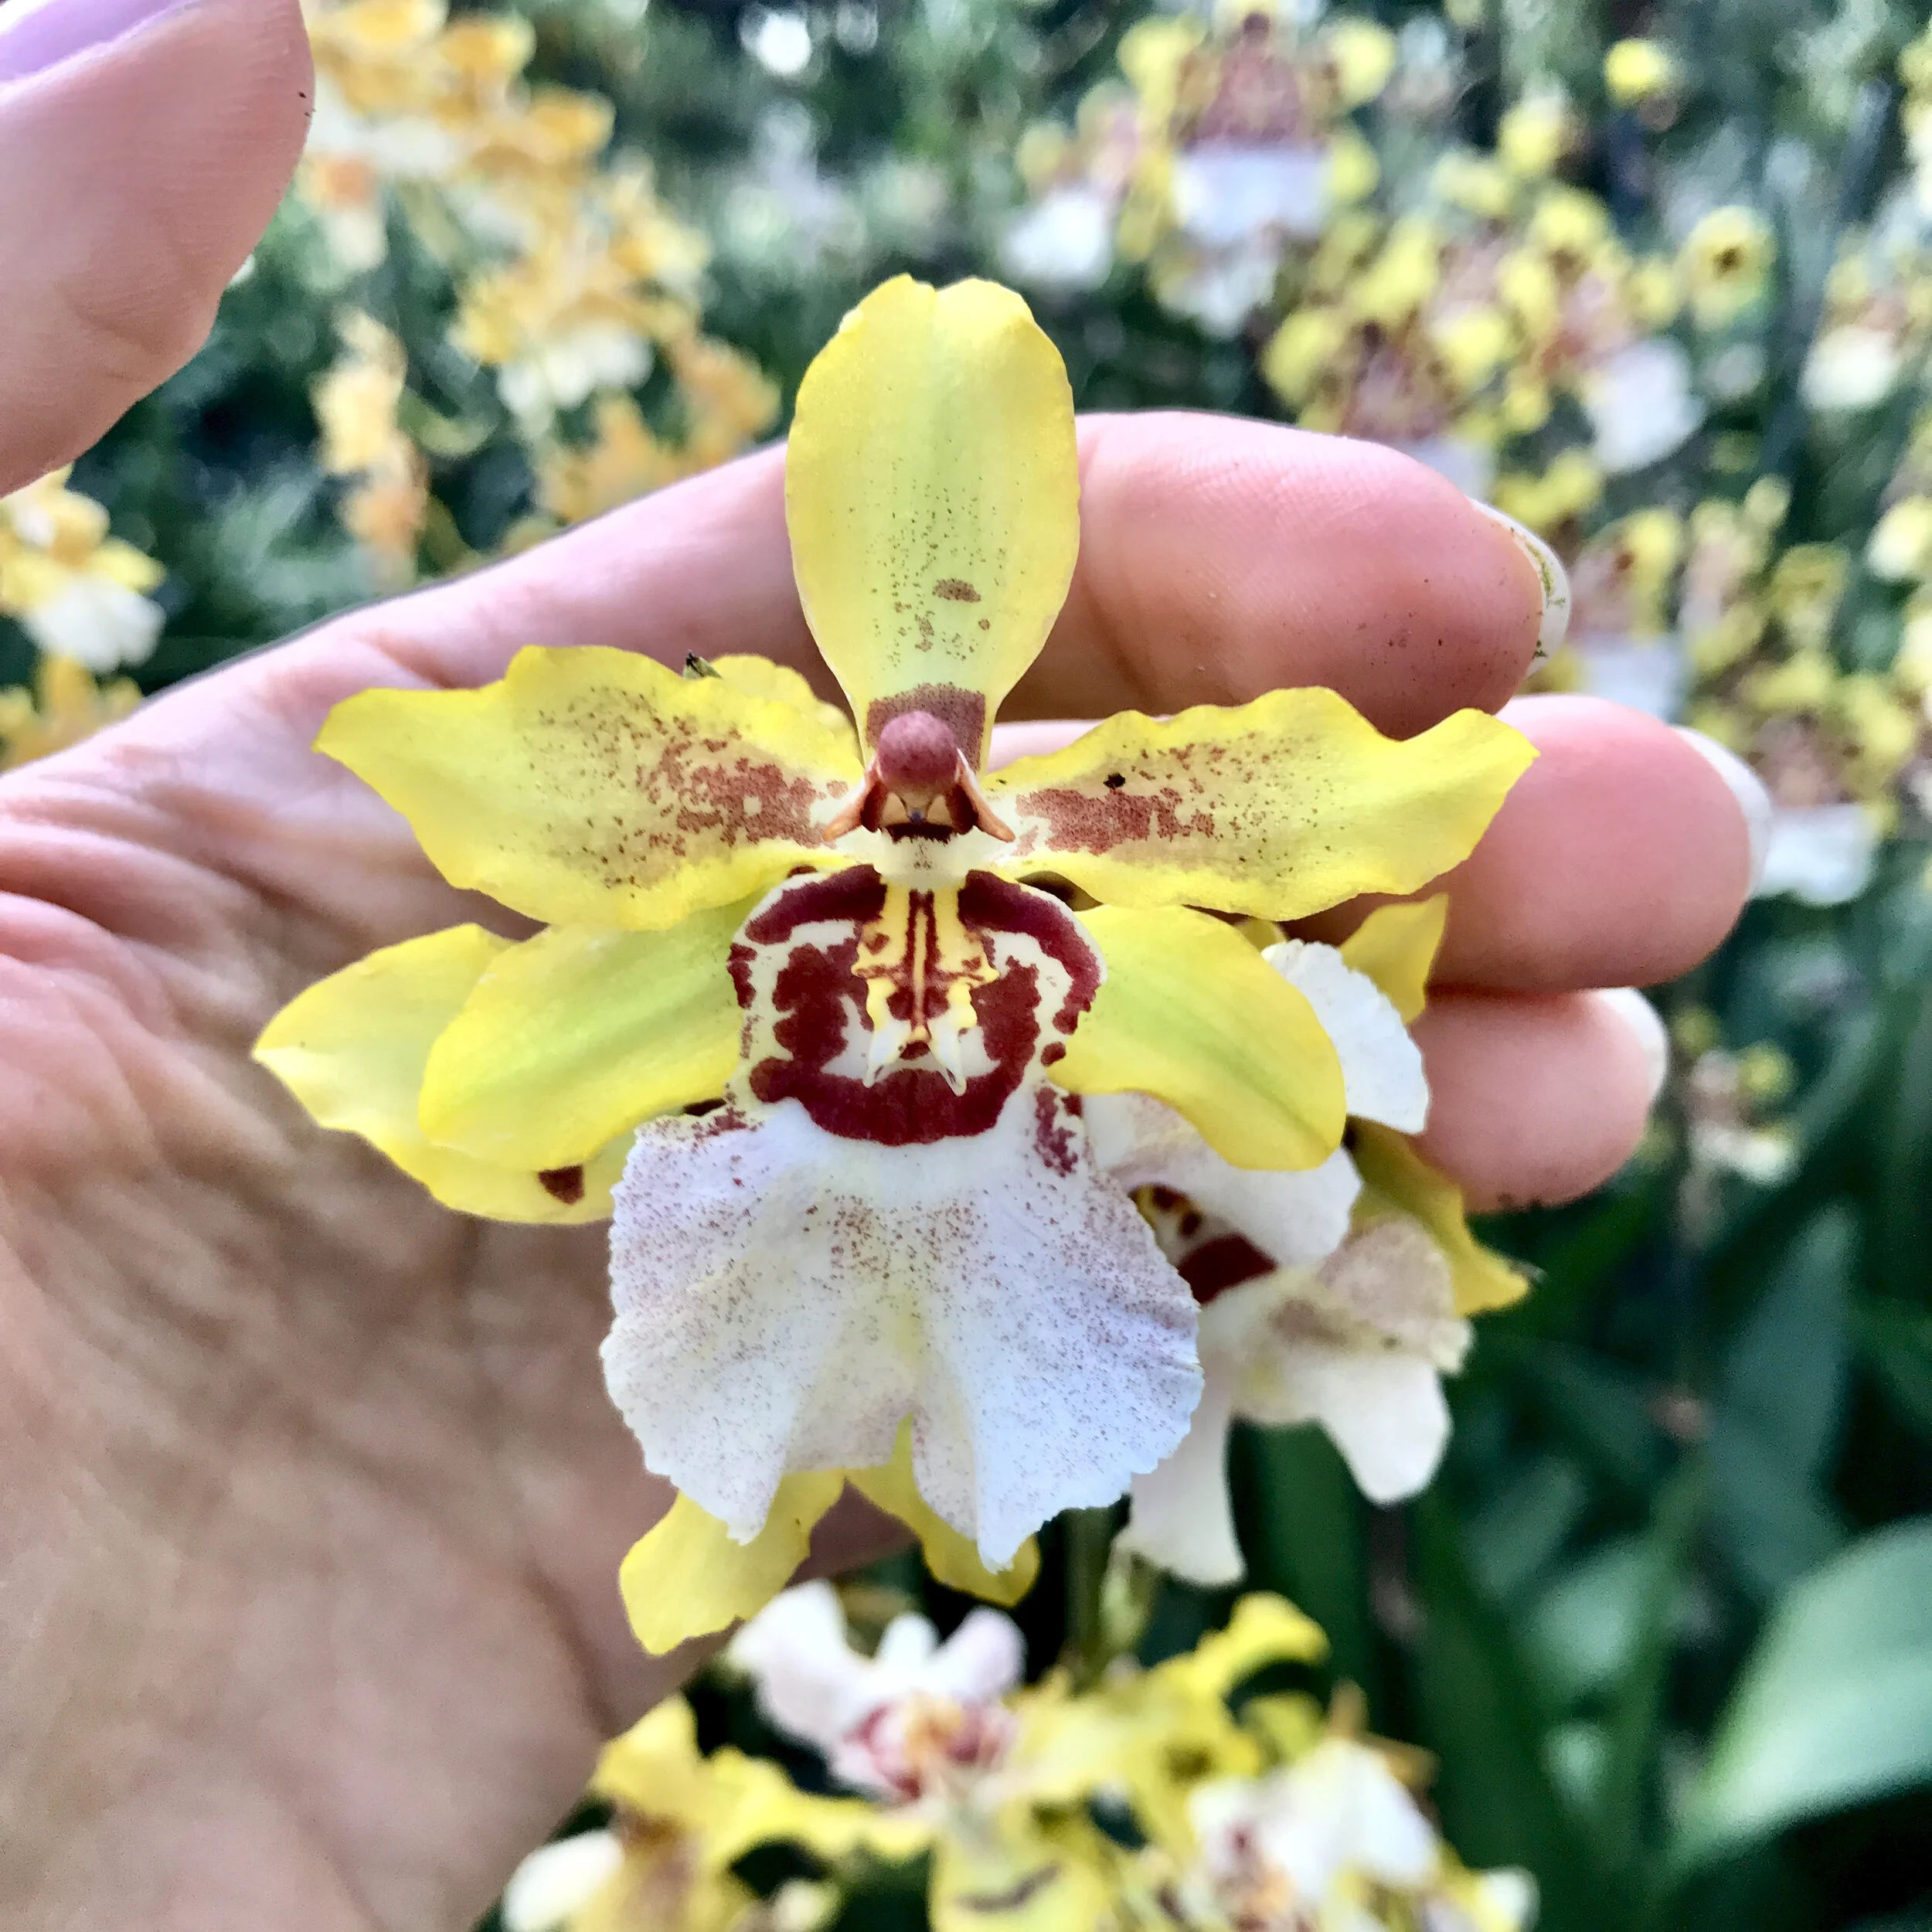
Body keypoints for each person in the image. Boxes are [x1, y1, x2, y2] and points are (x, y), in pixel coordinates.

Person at [0, 0, 1764, 1923]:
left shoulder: (1055, 892)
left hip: (1008, 1026)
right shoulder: (751, 894)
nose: (914, 819)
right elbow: (502, 1072)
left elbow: (1274, 1040)